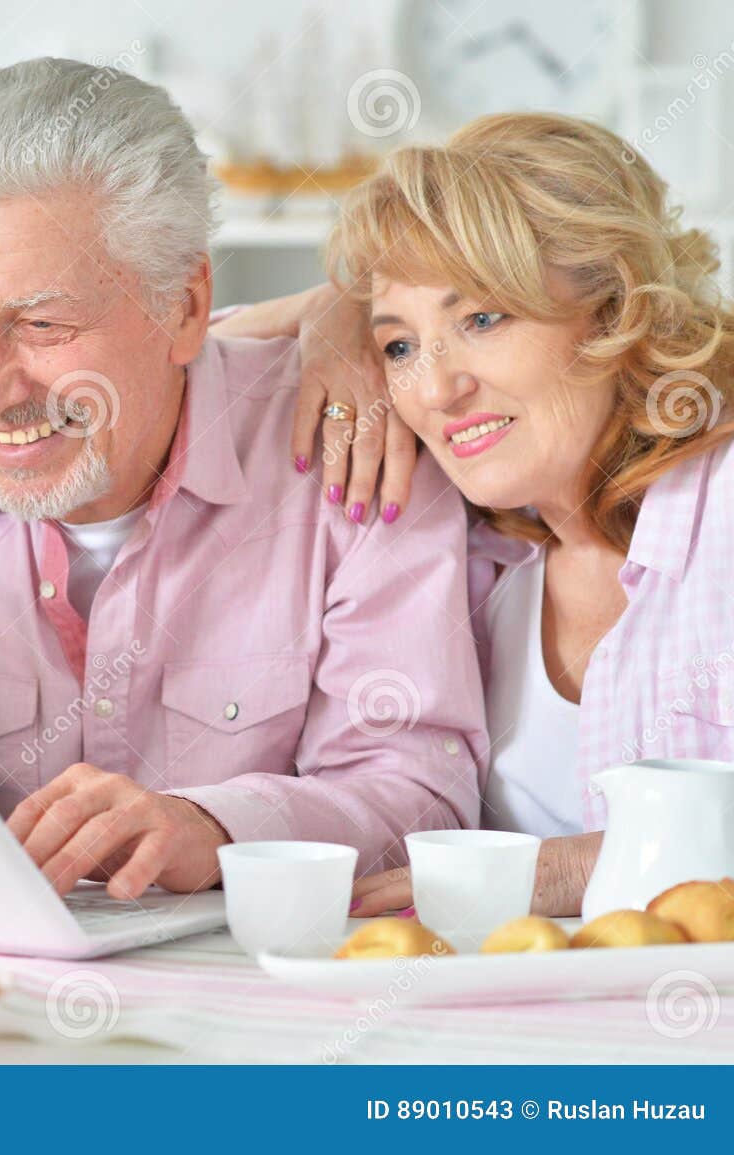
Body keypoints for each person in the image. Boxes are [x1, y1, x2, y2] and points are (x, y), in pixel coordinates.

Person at [0, 58, 489, 900]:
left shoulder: (354, 447)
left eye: (42, 323)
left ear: (183, 310)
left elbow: (425, 796)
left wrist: (218, 829)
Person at [243, 113, 734, 916]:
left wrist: (572, 871)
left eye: (481, 320)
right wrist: (327, 317)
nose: (437, 390)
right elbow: (174, 362)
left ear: (617, 309)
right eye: (399, 347)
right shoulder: (472, 552)